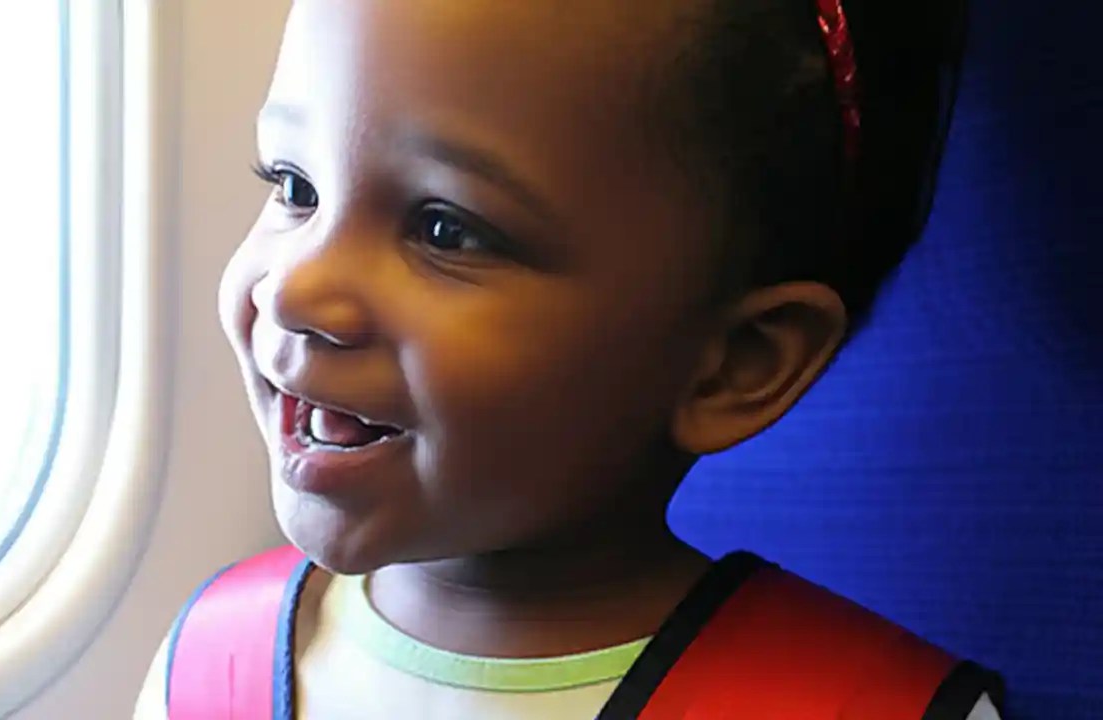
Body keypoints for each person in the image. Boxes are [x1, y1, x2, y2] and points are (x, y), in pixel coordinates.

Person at [137, 0, 1003, 717]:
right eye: (294, 187)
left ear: (735, 363)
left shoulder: (860, 707)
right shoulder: (208, 665)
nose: (292, 292)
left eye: (447, 229)